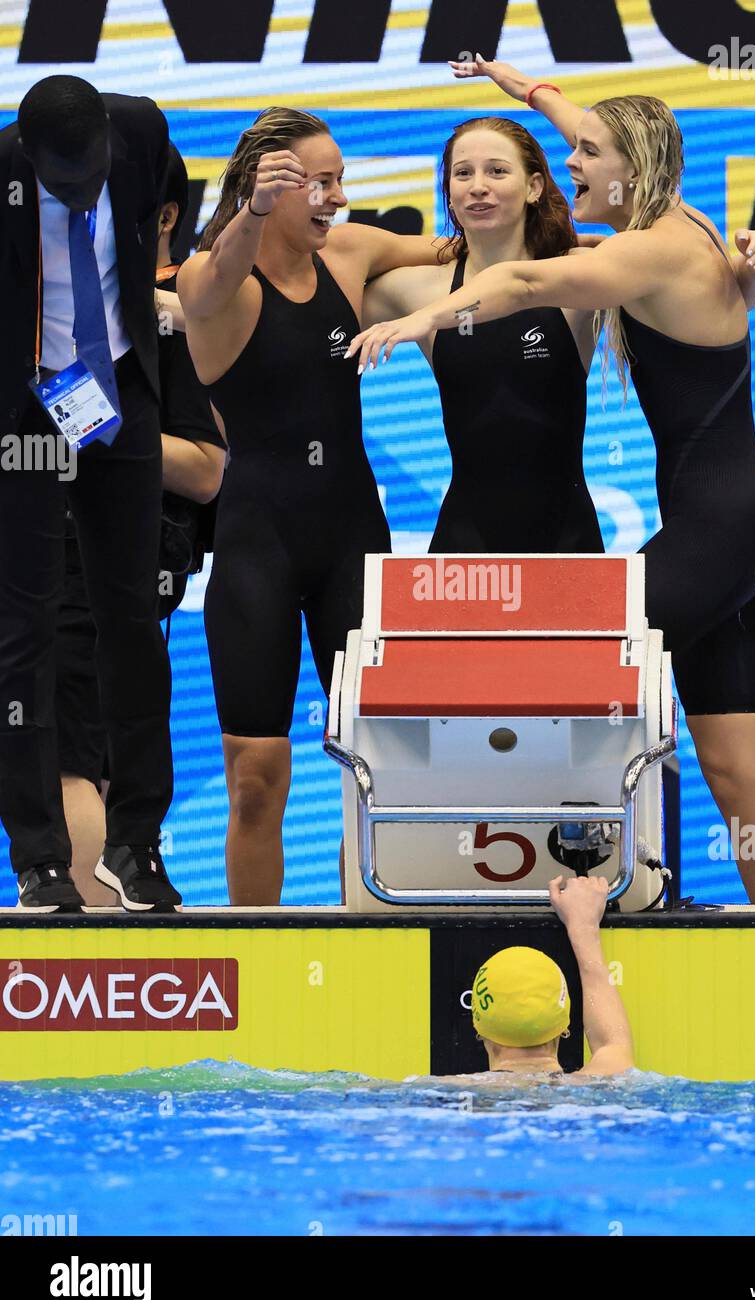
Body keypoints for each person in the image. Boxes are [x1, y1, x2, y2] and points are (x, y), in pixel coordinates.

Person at [348, 60, 755, 906]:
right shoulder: (679, 216)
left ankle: (644, 882)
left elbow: (523, 280)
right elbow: (576, 121)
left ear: (626, 168)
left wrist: (418, 319)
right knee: (740, 777)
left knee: (589, 663)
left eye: (584, 157)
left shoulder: (647, 252)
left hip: (720, 533)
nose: (571, 167)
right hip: (743, 528)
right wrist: (517, 83)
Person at [177, 108, 450, 906]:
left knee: (379, 763)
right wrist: (252, 212)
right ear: (267, 183)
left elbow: (467, 250)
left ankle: (367, 928)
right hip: (258, 541)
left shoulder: (349, 252)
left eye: (339, 179)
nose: (335, 197)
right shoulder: (209, 277)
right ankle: (258, 951)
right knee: (256, 777)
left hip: (352, 539)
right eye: (318, 182)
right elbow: (215, 279)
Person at [0, 75, 180, 912]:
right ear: (27, 158)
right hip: (27, 407)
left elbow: (163, 228)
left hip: (122, 397)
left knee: (132, 621)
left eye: (92, 175)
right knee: (25, 629)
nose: (81, 191)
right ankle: (38, 857)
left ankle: (136, 843)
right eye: (59, 183)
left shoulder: (140, 132)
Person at [55, 144, 226, 906]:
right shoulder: (46, 305)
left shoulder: (175, 320)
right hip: (38, 556)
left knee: (72, 752)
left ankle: (95, 942)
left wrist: (83, 425)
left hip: (105, 561)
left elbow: (204, 467)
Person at [362, 116, 603, 553]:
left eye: (497, 170)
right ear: (450, 196)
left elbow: (674, 260)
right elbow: (309, 316)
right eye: (463, 173)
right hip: (463, 542)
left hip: (567, 541)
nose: (477, 186)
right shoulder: (419, 289)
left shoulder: (576, 278)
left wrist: (747, 266)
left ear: (533, 187)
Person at [466, 876, 633, 1079]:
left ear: (478, 1028)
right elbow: (613, 1044)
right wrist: (584, 928)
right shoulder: (603, 1083)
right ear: (564, 1025)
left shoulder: (447, 1093)